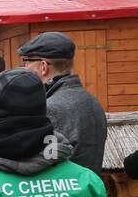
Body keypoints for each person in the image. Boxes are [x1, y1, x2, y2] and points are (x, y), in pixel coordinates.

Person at [19, 31, 108, 174]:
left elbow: (44, 164)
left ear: (43, 66)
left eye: (27, 61)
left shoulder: (50, 107)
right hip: (88, 189)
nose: (25, 68)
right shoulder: (92, 101)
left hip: (64, 193)